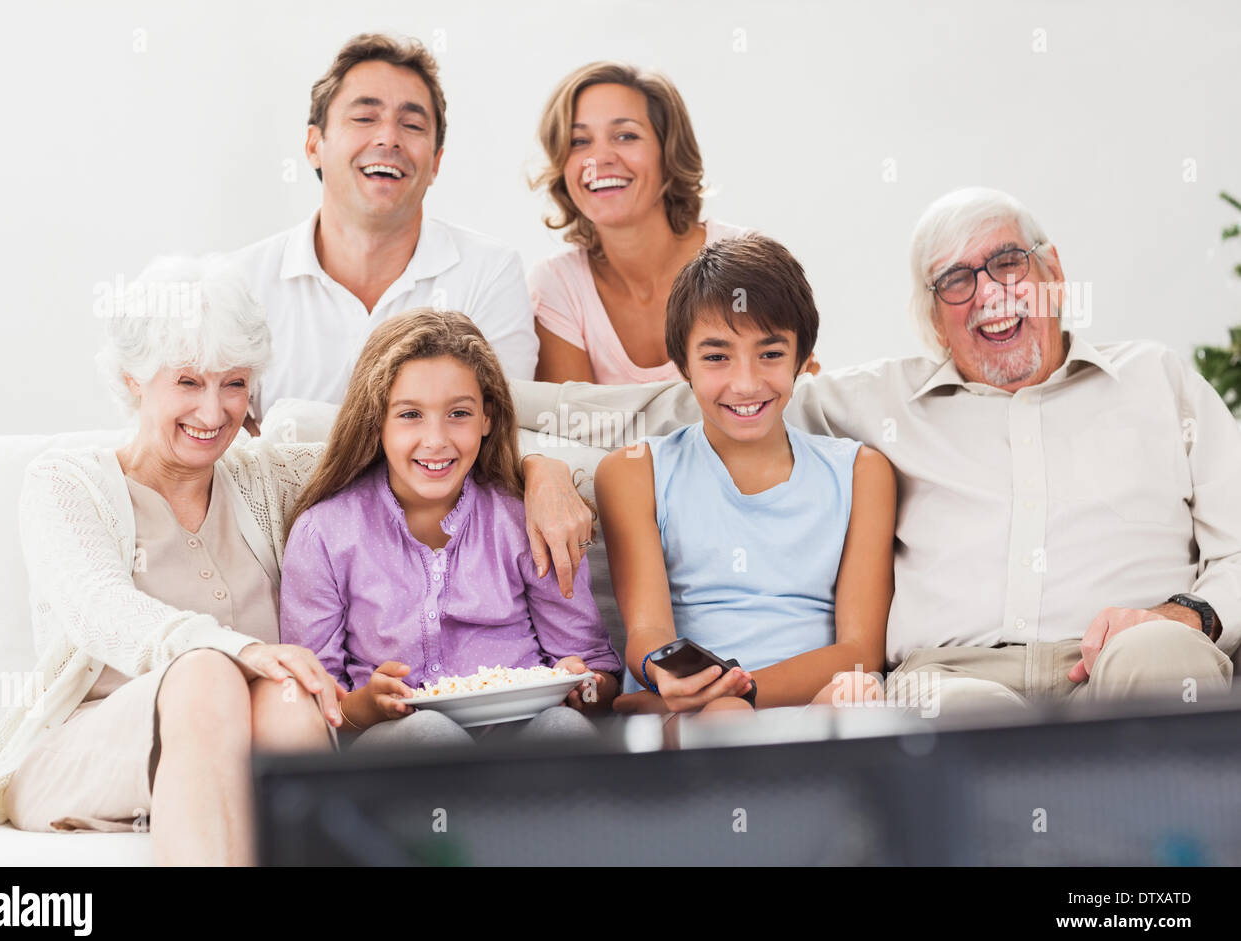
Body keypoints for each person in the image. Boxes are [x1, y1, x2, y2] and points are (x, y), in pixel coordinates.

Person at [513, 187, 1239, 712]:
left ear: (1052, 273)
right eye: (957, 280)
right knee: (941, 713)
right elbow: (675, 409)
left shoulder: (1159, 381)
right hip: (952, 677)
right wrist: (504, 432)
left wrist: (1189, 615)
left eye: (1008, 262)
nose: (989, 292)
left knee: (1164, 659)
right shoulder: (876, 403)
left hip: (1124, 653)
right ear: (931, 319)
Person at [0, 258, 342, 865]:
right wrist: (237, 648)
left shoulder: (268, 474)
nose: (215, 411)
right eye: (189, 382)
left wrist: (539, 472)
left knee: (288, 696)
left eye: (234, 382)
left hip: (239, 730)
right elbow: (98, 607)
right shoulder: (68, 483)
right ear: (133, 380)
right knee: (206, 671)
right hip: (88, 747)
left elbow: (409, 429)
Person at [278, 308, 622, 746]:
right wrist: (366, 704)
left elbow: (598, 677)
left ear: (487, 418)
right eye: (409, 415)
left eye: (458, 413)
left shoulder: (527, 519)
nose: (436, 439)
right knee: (430, 733)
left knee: (566, 729)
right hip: (399, 746)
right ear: (375, 419)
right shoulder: (325, 533)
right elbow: (315, 704)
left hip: (520, 739)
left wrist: (583, 686)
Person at [596, 235, 893, 715]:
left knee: (855, 695)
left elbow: (860, 652)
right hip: (690, 710)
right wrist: (669, 675)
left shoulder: (860, 472)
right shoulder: (634, 472)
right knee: (725, 716)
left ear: (802, 359)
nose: (746, 383)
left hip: (807, 700)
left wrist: (744, 691)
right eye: (716, 357)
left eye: (770, 354)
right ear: (683, 366)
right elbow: (648, 634)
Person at [227, 33, 538, 430]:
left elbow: (495, 434)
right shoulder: (241, 282)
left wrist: (289, 428)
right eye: (364, 118)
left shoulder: (489, 272)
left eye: (411, 124)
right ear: (313, 145)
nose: (389, 138)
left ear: (436, 162)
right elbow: (227, 447)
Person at [529, 62, 816, 385]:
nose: (599, 158)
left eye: (626, 136)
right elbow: (573, 427)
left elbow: (784, 399)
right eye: (579, 141)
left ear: (669, 152)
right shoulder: (557, 285)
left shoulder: (749, 261)